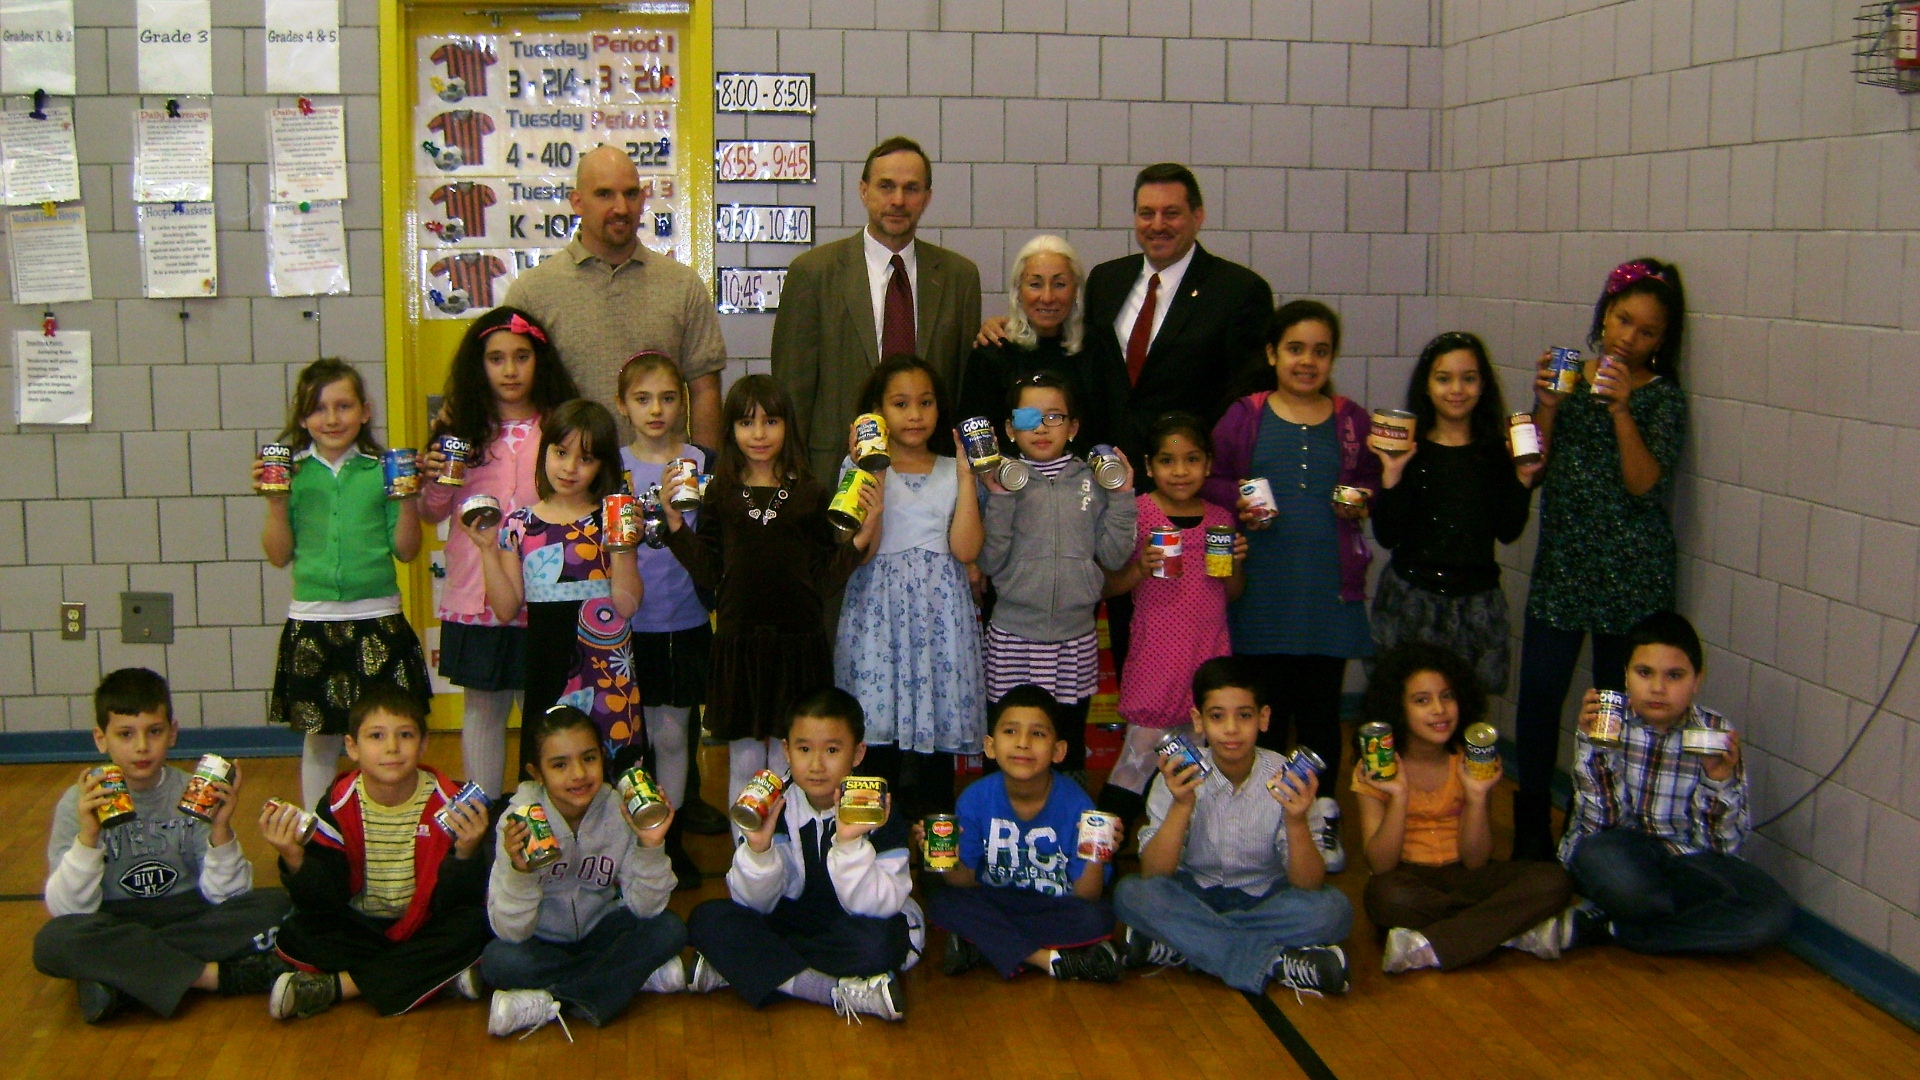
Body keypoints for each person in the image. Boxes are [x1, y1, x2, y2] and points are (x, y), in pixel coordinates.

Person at [1511, 259, 1690, 860]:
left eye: (1646, 331)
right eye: (1622, 320)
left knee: (1611, 708)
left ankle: (1591, 825)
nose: (1628, 338)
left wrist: (1619, 410)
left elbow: (1644, 484)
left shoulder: (1662, 399)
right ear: (1604, 315)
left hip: (1631, 575)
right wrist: (1547, 404)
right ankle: (1531, 826)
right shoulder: (1570, 379)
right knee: (1540, 696)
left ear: (1661, 341)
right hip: (1563, 563)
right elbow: (1531, 466)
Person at [1203, 301, 1381, 873]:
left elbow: (1371, 479)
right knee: (1268, 715)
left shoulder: (1352, 421)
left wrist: (1364, 497)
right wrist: (1238, 504)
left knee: (1322, 712)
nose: (1307, 361)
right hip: (1262, 591)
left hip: (1328, 592)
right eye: (1296, 349)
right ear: (1272, 354)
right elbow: (1210, 477)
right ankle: (1263, 821)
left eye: (1320, 351)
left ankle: (1320, 816)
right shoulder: (1245, 415)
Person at [661, 376, 880, 808]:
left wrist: (862, 536)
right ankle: (747, 848)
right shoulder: (719, 493)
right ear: (730, 430)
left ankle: (790, 844)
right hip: (739, 645)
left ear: (788, 426)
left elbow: (823, 578)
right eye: (746, 423)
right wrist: (674, 525)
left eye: (771, 421)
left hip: (798, 648)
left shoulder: (811, 492)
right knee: (744, 761)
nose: (759, 434)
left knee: (791, 760)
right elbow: (708, 571)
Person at [33, 669, 292, 1023]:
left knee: (279, 906)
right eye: (125, 734)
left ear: (172, 733)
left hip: (187, 913)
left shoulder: (192, 791)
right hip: (115, 919)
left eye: (154, 731)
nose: (141, 746)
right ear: (101, 739)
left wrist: (221, 830)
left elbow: (227, 897)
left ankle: (123, 981)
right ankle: (215, 978)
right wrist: (88, 837)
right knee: (54, 941)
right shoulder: (78, 802)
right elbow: (68, 911)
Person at [1111, 658, 1353, 997]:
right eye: (1216, 716)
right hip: (1194, 894)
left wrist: (1296, 820)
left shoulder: (1286, 774)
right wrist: (1182, 805)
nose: (1231, 729)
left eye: (1244, 716)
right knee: (1132, 893)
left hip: (1265, 898)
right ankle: (1274, 962)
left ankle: (1185, 945)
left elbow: (1308, 883)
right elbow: (1154, 872)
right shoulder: (1178, 773)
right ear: (1198, 720)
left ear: (1264, 718)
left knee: (1333, 910)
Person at [1558, 612, 1793, 955]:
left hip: (1685, 860)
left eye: (1675, 675)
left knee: (1772, 914)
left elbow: (1720, 849)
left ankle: (1615, 927)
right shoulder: (1609, 721)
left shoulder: (1714, 731)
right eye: (1644, 673)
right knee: (1620, 878)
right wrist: (1596, 747)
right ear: (1626, 674)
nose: (1658, 688)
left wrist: (1718, 780)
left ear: (1697, 680)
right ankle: (1662, 919)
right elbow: (1601, 825)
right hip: (1618, 851)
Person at [418, 307, 581, 798]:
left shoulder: (560, 425)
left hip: (546, 589)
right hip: (478, 592)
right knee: (484, 708)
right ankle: (481, 814)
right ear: (479, 365)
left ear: (540, 360)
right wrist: (433, 476)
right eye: (496, 359)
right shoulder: (461, 430)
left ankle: (545, 815)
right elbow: (432, 511)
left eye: (521, 356)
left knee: (546, 712)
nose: (510, 370)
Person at [256, 358, 432, 809]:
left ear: (365, 412)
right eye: (318, 408)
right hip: (312, 622)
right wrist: (276, 503)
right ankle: (319, 829)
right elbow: (278, 555)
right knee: (321, 739)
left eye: (343, 406)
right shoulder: (294, 474)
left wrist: (407, 498)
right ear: (302, 418)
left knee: (388, 734)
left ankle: (389, 822)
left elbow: (407, 551)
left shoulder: (380, 470)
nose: (331, 418)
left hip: (379, 619)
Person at [684, 688, 920, 1021]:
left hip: (852, 924)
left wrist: (850, 844)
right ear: (786, 750)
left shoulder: (877, 809)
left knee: (880, 945)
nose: (816, 765)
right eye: (804, 749)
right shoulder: (774, 803)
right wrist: (759, 849)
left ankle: (744, 966)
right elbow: (754, 905)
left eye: (832, 750)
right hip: (792, 919)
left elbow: (879, 907)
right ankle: (830, 989)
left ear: (857, 753)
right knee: (707, 919)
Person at [263, 685, 495, 1020]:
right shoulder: (338, 802)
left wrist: (466, 853)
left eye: (405, 735)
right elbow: (325, 899)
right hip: (363, 927)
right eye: (376, 736)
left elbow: (460, 901)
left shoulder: (452, 802)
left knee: (475, 928)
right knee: (296, 933)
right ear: (352, 747)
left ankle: (336, 987)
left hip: (427, 924)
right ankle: (431, 977)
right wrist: (294, 858)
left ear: (424, 744)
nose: (392, 747)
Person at [772, 136, 984, 483]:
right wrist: (795, 480)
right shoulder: (813, 273)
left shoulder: (959, 278)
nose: (898, 200)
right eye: (886, 186)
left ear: (927, 197)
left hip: (933, 478)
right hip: (834, 473)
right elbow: (791, 391)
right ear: (863, 190)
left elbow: (964, 388)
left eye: (911, 188)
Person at [1354, 643, 1573, 973]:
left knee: (1554, 880)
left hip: (1467, 876)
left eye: (1447, 696)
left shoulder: (1472, 760)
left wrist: (1476, 796)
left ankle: (1433, 944)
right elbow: (1381, 865)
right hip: (1409, 881)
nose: (1439, 710)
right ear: (1397, 708)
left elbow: (1476, 860)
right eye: (1422, 700)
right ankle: (1506, 931)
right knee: (1385, 897)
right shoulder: (1375, 768)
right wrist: (1398, 796)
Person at [834, 356, 985, 821]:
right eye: (900, 404)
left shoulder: (955, 468)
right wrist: (872, 470)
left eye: (926, 403)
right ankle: (871, 840)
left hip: (941, 615)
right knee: (874, 735)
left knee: (936, 741)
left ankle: (935, 840)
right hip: (878, 611)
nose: (915, 415)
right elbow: (863, 551)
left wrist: (966, 477)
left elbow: (965, 549)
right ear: (877, 411)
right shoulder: (856, 467)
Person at [481, 705, 688, 1039]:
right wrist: (520, 873)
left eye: (589, 758)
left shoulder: (619, 809)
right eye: (559, 764)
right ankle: (627, 978)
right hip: (541, 941)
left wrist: (650, 845)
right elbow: (511, 931)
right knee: (499, 960)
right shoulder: (517, 821)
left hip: (602, 932)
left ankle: (548, 1000)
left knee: (670, 929)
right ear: (537, 773)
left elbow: (647, 909)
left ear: (603, 759)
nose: (578, 774)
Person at [503, 145, 727, 446]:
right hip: (571, 470)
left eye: (631, 194)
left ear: (643, 200)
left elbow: (704, 390)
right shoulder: (532, 292)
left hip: (664, 473)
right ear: (577, 202)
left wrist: (707, 467)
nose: (621, 208)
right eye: (604, 194)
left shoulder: (682, 285)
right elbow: (509, 395)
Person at [466, 399, 645, 773]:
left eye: (586, 458)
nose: (569, 467)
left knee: (616, 762)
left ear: (603, 465)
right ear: (544, 451)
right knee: (550, 764)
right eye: (561, 452)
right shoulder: (518, 524)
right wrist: (486, 549)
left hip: (607, 667)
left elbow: (627, 605)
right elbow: (506, 608)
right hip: (547, 665)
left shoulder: (611, 518)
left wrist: (623, 545)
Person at [977, 372, 1137, 775]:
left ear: (1073, 427)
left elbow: (1115, 556)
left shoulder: (1092, 480)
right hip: (1013, 635)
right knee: (1007, 743)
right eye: (1028, 418)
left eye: (1054, 417)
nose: (1042, 428)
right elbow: (990, 562)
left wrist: (1121, 496)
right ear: (1010, 429)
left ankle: (1071, 813)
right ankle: (998, 813)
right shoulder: (998, 479)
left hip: (1074, 638)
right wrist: (1000, 498)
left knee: (1067, 743)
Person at [1097, 412, 1246, 825]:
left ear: (1208, 464)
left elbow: (1233, 593)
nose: (1180, 471)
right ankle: (1098, 850)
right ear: (1149, 466)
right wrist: (1139, 569)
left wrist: (1234, 565)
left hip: (1208, 659)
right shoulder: (1138, 513)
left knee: (1200, 768)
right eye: (1167, 460)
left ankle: (1188, 848)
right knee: (1136, 761)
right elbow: (1106, 586)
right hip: (1156, 662)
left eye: (1192, 459)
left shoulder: (1220, 518)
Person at [1368, 331, 1537, 696]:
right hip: (1411, 600)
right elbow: (1387, 535)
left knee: (1466, 712)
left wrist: (1523, 479)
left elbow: (1508, 531)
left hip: (1476, 604)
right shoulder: (1407, 447)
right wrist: (1392, 475)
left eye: (1469, 378)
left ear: (1483, 385)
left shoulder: (1496, 451)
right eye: (1444, 378)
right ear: (1427, 386)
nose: (1456, 390)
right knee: (1404, 708)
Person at [923, 685, 1123, 982]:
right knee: (943, 901)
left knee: (1098, 916)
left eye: (1038, 734)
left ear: (1059, 751)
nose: (1023, 743)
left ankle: (985, 948)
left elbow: (1087, 894)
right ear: (990, 746)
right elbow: (964, 882)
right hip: (995, 901)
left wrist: (1099, 855)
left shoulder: (1077, 803)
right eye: (1010, 732)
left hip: (1054, 907)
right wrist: (942, 855)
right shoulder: (975, 798)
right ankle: (1047, 959)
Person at [615, 350, 717, 886]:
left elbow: (717, 540)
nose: (656, 410)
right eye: (643, 398)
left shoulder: (703, 461)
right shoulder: (611, 465)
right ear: (623, 405)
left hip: (684, 618)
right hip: (625, 625)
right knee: (634, 740)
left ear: (683, 403)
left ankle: (669, 843)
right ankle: (632, 840)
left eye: (667, 398)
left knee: (674, 736)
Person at [958, 234, 1117, 452]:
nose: (1047, 297)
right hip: (1007, 473)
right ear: (1018, 291)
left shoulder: (1098, 347)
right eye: (1035, 284)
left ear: (1075, 290)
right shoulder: (993, 351)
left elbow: (1116, 428)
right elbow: (974, 434)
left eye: (1060, 284)